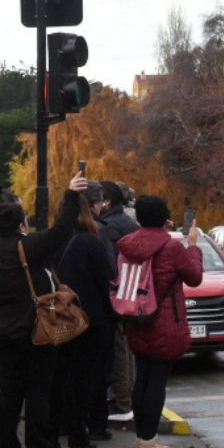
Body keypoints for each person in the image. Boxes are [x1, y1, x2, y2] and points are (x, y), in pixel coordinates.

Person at [0, 179, 89, 448]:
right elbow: (61, 231)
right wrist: (71, 195)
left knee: (9, 391)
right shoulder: (28, 247)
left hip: (4, 331)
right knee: (38, 390)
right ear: (21, 224)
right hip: (35, 328)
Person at [115, 196, 205, 448]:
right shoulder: (171, 247)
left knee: (141, 378)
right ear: (165, 218)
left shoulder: (129, 244)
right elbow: (195, 277)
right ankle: (148, 442)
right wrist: (193, 247)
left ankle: (142, 438)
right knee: (156, 382)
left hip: (137, 318)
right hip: (164, 323)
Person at [54, 190, 118, 448]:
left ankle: (65, 426)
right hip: (92, 318)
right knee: (92, 376)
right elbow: (107, 280)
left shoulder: (54, 242)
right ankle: (92, 429)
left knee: (65, 375)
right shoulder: (91, 242)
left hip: (62, 316)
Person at [94, 182, 141, 428]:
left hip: (117, 296)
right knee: (127, 349)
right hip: (132, 295)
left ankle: (122, 403)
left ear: (107, 202)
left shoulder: (109, 227)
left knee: (119, 351)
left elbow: (111, 266)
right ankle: (128, 399)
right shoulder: (129, 224)